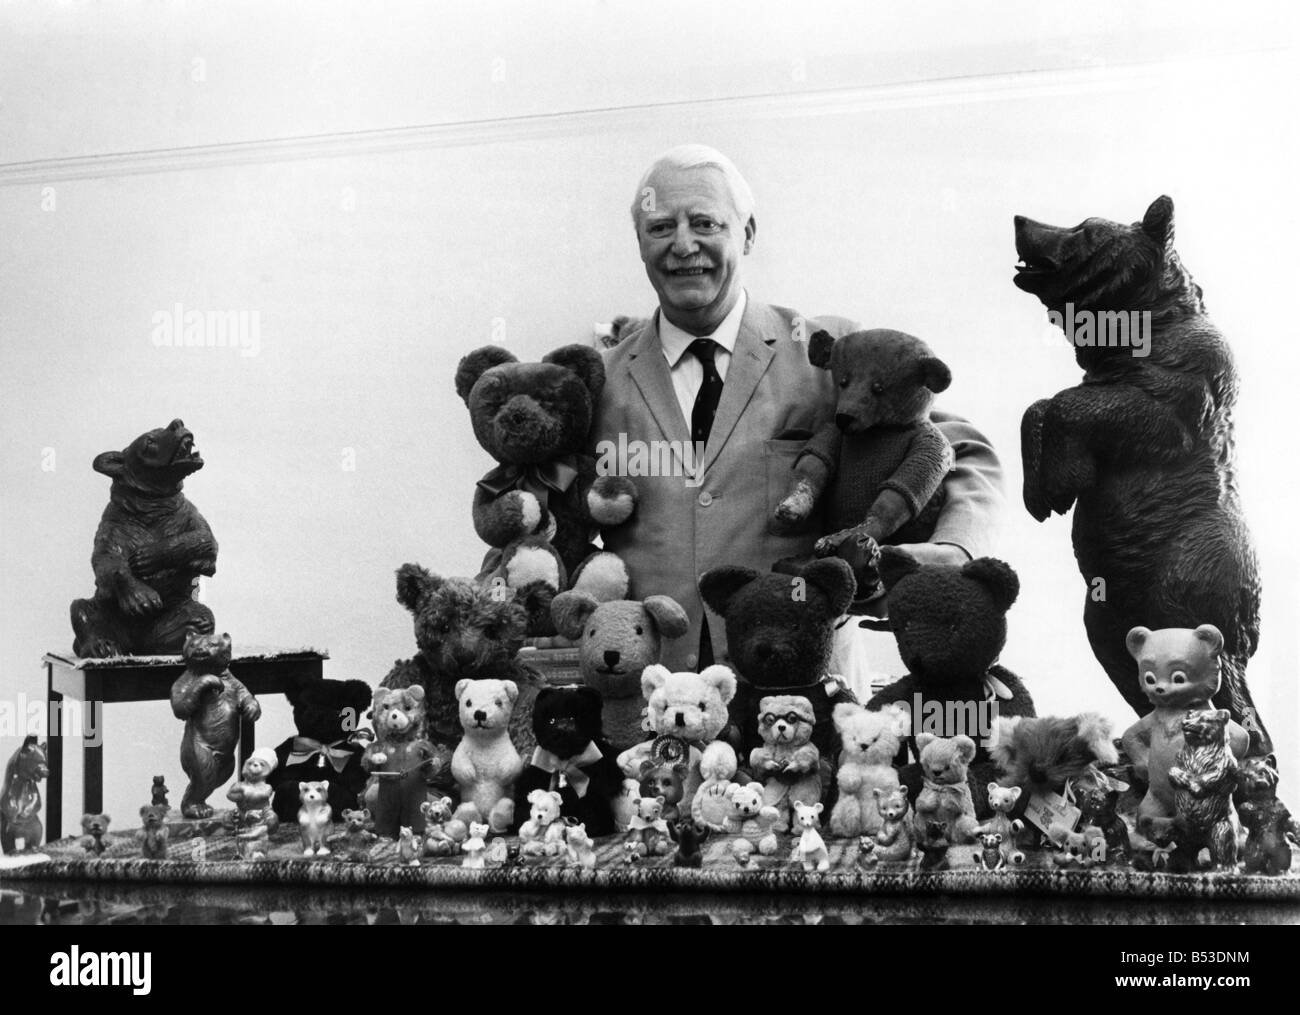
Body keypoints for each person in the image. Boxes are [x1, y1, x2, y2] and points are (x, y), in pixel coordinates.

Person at [592, 145, 1003, 689]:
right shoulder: (598, 380)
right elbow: (542, 506)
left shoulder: (828, 353)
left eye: (705, 223)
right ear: (640, 243)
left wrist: (953, 549)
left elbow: (959, 447)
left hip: (809, 694)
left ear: (749, 233)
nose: (683, 245)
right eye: (660, 227)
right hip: (655, 692)